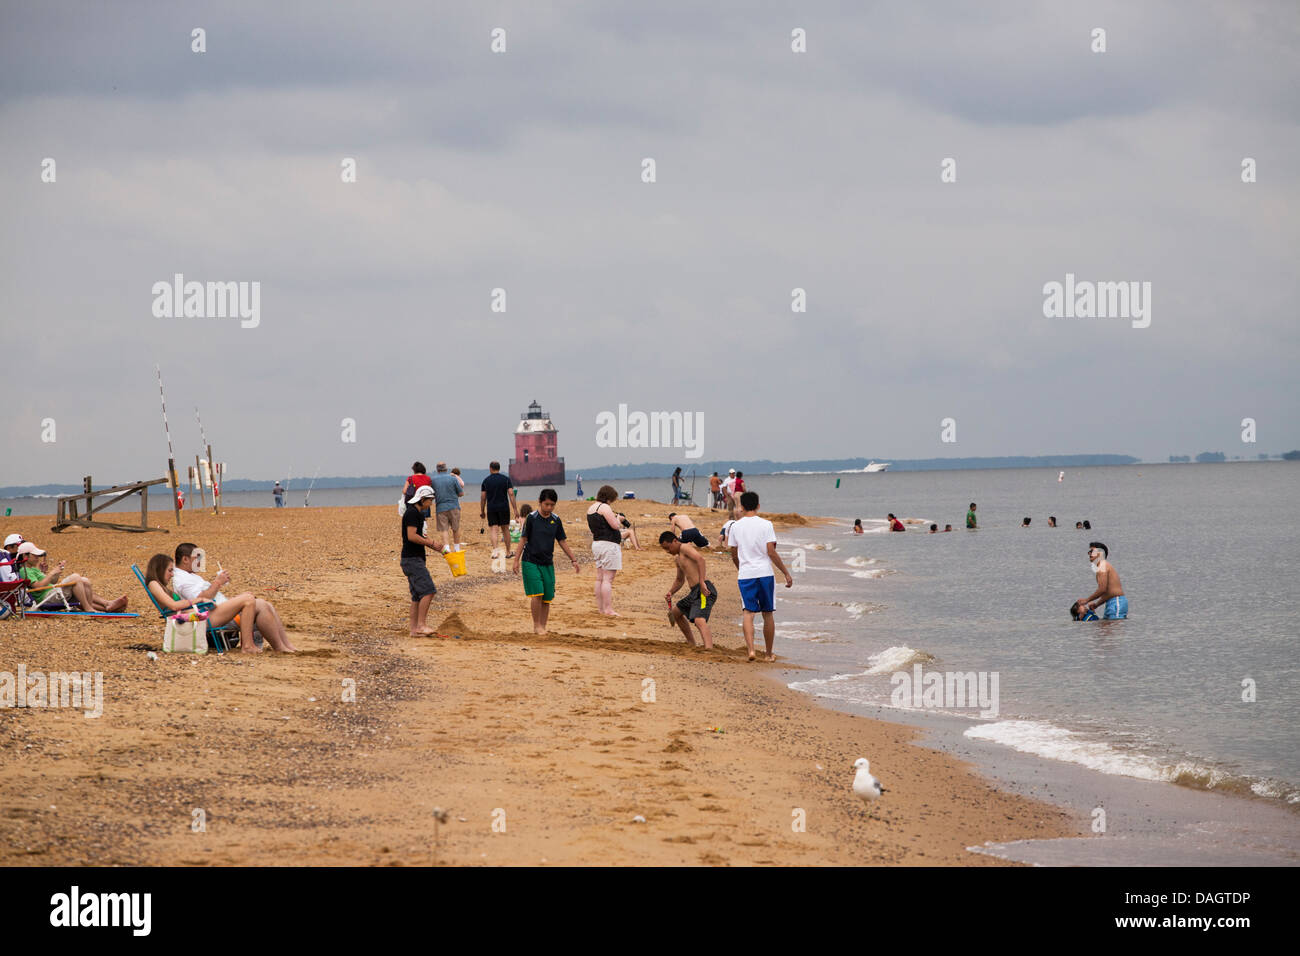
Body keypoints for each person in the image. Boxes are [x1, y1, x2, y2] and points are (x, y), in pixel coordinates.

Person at [171, 542, 297, 651]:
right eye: (197, 558)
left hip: (218, 611)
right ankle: (269, 647)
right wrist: (218, 582)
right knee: (259, 604)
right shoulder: (182, 579)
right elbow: (200, 599)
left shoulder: (190, 576)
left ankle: (287, 646)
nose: (200, 562)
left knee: (265, 604)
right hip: (210, 615)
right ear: (185, 559)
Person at [143, 553, 259, 650]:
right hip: (193, 620)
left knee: (246, 598)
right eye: (169, 570)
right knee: (247, 599)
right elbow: (173, 606)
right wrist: (199, 599)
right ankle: (247, 646)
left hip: (194, 616)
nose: (172, 574)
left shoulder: (160, 586)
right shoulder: (153, 583)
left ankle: (253, 645)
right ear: (159, 569)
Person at [728, 491, 793, 662]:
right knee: (767, 613)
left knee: (748, 613)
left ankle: (751, 650)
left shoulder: (735, 526)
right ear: (758, 505)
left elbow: (733, 553)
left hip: (746, 574)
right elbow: (771, 551)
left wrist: (740, 568)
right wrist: (785, 572)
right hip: (764, 573)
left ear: (741, 506)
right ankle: (768, 653)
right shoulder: (766, 524)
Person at [513, 488, 579, 635]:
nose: (549, 508)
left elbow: (562, 541)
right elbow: (523, 539)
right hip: (530, 561)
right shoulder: (531, 518)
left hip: (547, 563)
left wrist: (573, 559)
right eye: (546, 504)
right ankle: (536, 626)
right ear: (540, 502)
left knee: (547, 597)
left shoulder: (556, 520)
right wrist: (516, 560)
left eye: (552, 505)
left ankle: (543, 626)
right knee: (538, 593)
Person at [15, 542, 128, 612]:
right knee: (75, 577)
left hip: (52, 592)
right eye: (34, 555)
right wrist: (51, 573)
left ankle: (106, 606)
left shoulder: (33, 569)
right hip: (46, 599)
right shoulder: (24, 570)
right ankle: (89, 608)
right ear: (25, 556)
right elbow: (38, 586)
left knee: (84, 581)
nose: (37, 557)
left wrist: (54, 573)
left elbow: (51, 582)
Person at [659, 531, 717, 650]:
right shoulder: (678, 559)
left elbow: (701, 560)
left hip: (704, 589)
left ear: (675, 541)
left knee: (699, 620)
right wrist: (671, 592)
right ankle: (691, 643)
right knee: (676, 613)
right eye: (665, 549)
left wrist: (701, 582)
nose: (668, 551)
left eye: (668, 547)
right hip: (694, 592)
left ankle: (709, 648)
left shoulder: (685, 547)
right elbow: (680, 580)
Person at [400, 485, 441, 636]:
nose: (431, 504)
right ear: (423, 499)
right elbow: (411, 536)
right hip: (412, 560)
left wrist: (438, 547)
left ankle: (414, 630)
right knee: (428, 591)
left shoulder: (416, 513)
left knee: (417, 596)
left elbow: (420, 537)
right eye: (430, 501)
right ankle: (421, 625)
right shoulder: (412, 514)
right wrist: (430, 543)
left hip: (411, 559)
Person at [587, 486, 629, 616]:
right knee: (608, 579)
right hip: (609, 545)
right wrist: (619, 519)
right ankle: (608, 609)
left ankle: (601, 609)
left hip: (597, 544)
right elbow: (615, 526)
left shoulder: (591, 508)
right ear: (609, 497)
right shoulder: (605, 507)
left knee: (599, 578)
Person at [1076, 542, 1127, 620]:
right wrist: (1096, 605)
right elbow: (1108, 593)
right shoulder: (1102, 567)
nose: (1089, 554)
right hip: (1112, 602)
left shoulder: (1102, 566)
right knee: (1103, 628)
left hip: (1116, 602)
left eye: (1092, 551)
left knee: (1115, 629)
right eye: (1089, 552)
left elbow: (1102, 589)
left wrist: (1087, 600)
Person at [480, 461, 518, 558]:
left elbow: (483, 497)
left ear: (490, 468)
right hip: (503, 507)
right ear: (499, 468)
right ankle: (508, 552)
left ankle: (496, 552)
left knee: (493, 529)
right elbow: (511, 493)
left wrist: (482, 510)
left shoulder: (486, 481)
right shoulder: (506, 479)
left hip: (491, 508)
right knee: (505, 529)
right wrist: (515, 509)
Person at [431, 462, 464, 552]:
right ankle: (457, 548)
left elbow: (432, 494)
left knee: (444, 529)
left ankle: (447, 547)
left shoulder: (433, 480)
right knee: (455, 528)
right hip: (454, 505)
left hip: (440, 507)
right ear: (446, 469)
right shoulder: (452, 478)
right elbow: (461, 493)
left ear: (437, 470)